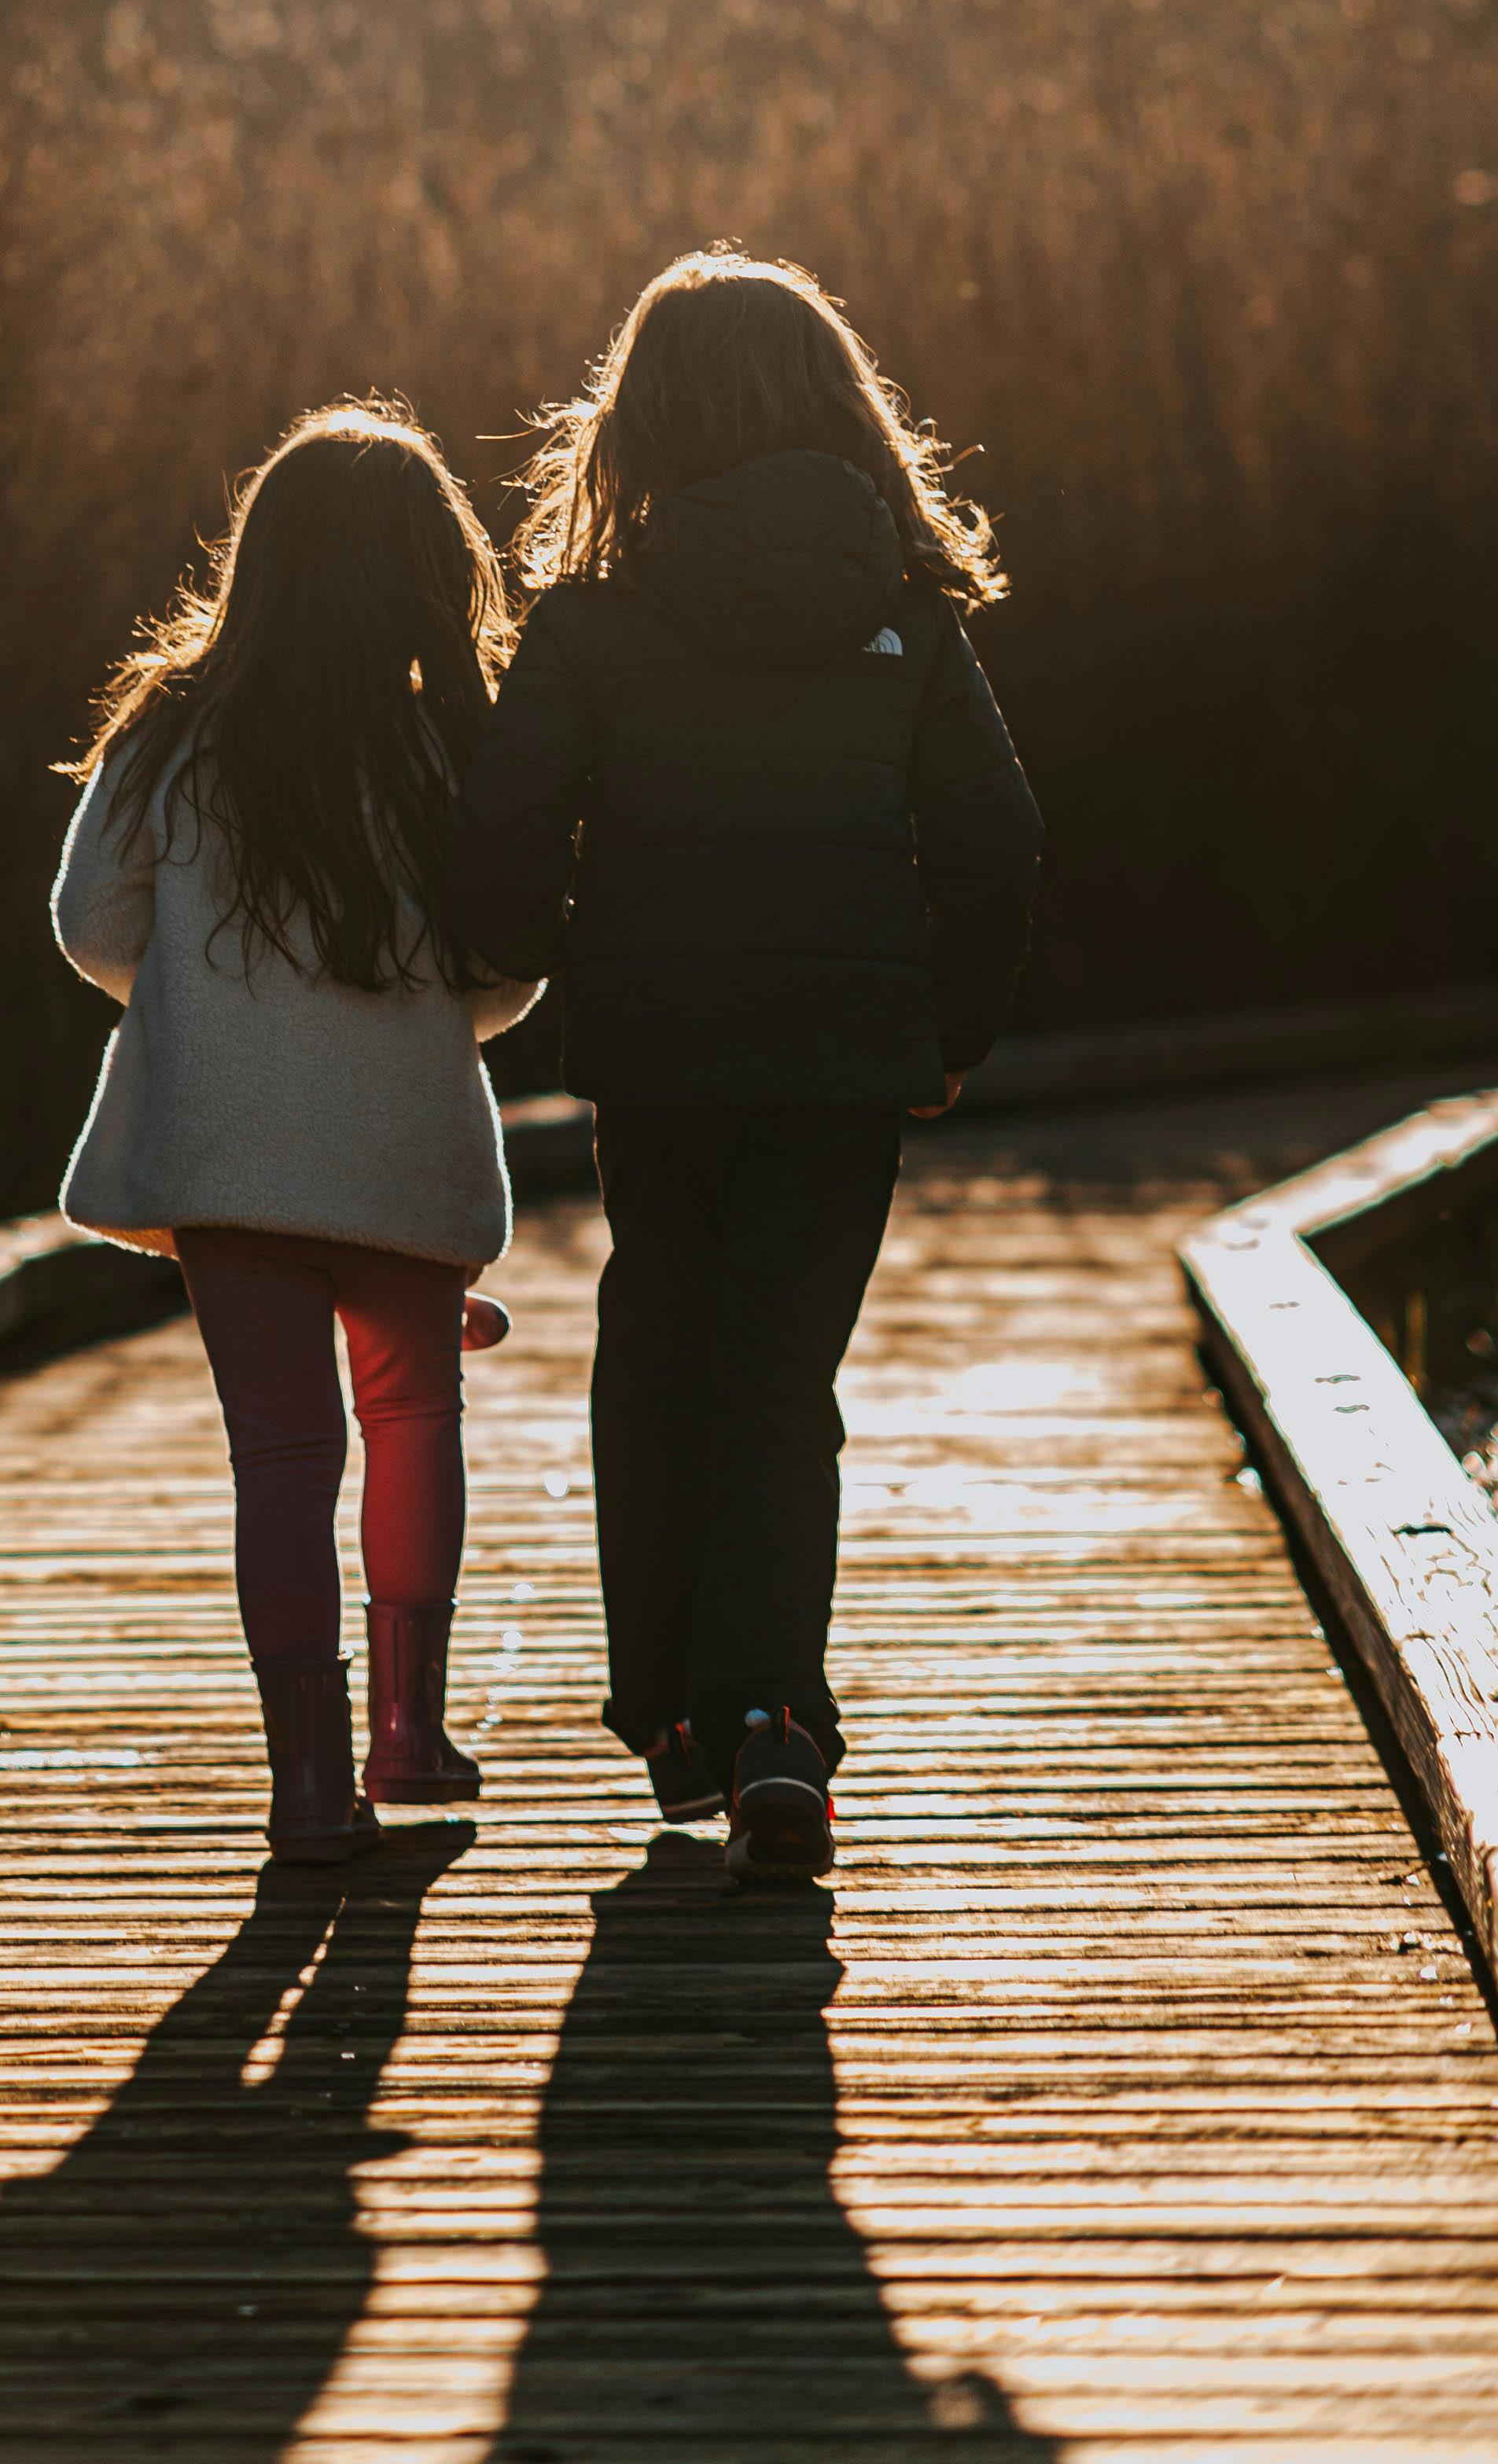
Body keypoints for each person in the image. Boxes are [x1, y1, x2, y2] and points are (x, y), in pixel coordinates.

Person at [439, 250, 1041, 1887]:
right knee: (777, 1375)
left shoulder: (586, 626)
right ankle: (775, 1716)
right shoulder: (908, 629)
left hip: (654, 1049)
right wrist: (944, 1037)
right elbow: (993, 844)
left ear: (635, 422)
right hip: (843, 1065)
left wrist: (542, 955)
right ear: (833, 407)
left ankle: (675, 1728)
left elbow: (497, 835)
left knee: (653, 1346)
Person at [52, 401, 543, 1860]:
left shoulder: (168, 732)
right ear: (424, 573)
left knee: (281, 1459)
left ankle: (305, 1787)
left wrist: (207, 995)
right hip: (402, 1160)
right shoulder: (452, 748)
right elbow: (505, 968)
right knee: (413, 1424)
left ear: (261, 561)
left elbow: (91, 926)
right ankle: (411, 1733)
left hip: (227, 1164)